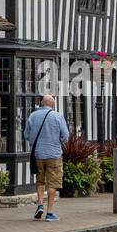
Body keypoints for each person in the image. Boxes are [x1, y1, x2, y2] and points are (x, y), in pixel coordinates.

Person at [23, 94, 70, 222]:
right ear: (52, 105)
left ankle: (39, 205)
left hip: (38, 154)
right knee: (53, 183)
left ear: (42, 103)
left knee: (40, 180)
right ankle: (50, 213)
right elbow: (65, 137)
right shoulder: (58, 116)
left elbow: (26, 135)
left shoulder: (32, 116)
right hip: (53, 154)